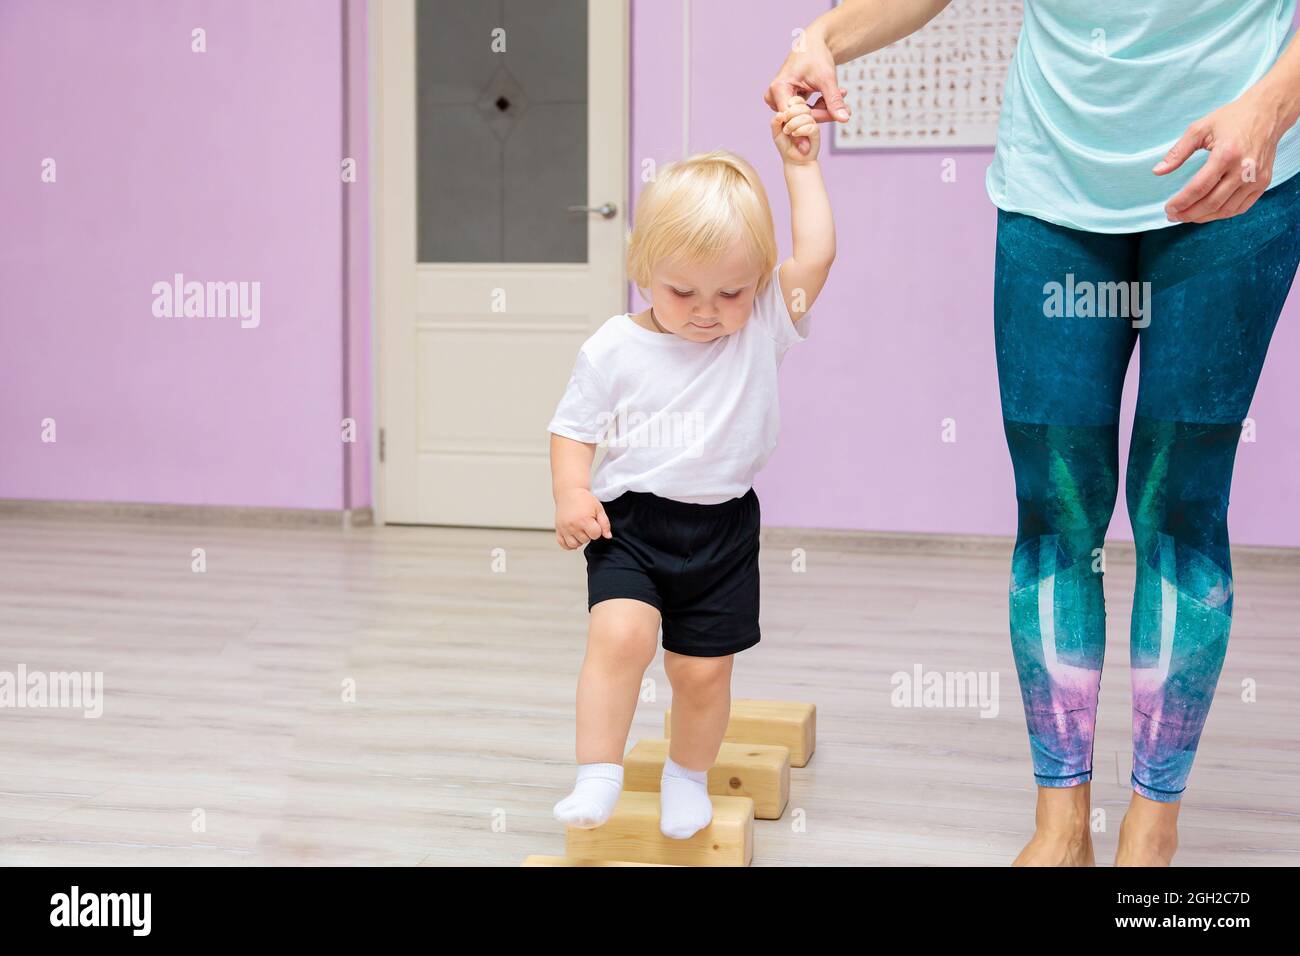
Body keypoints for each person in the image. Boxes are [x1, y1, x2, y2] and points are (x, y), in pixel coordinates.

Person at [767, 0, 1300, 865]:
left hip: (1237, 189)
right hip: (1054, 199)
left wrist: (1275, 101)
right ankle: (1061, 825)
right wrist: (822, 39)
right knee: (1055, 514)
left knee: (1181, 509)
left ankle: (1151, 826)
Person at [546, 100, 834, 838]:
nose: (708, 312)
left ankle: (686, 776)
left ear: (758, 281)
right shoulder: (615, 346)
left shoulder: (765, 319)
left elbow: (820, 254)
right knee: (620, 639)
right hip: (633, 522)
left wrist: (800, 166)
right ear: (644, 270)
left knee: (702, 673)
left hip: (723, 529)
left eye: (730, 292)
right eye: (683, 292)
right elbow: (573, 429)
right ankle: (597, 774)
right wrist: (572, 491)